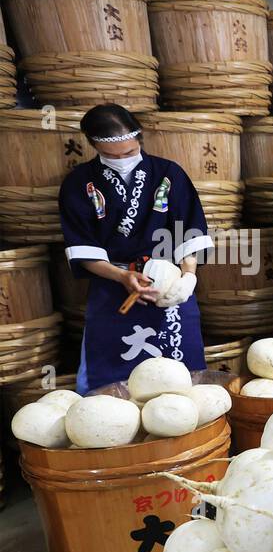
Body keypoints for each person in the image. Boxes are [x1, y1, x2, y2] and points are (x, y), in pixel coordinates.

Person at [58, 103, 211, 393]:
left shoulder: (168, 173)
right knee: (111, 386)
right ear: (93, 145)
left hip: (168, 283)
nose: (122, 159)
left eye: (129, 152)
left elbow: (189, 231)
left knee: (181, 381)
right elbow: (83, 248)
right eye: (110, 155)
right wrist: (122, 278)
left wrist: (189, 276)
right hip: (113, 285)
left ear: (139, 139)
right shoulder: (79, 183)